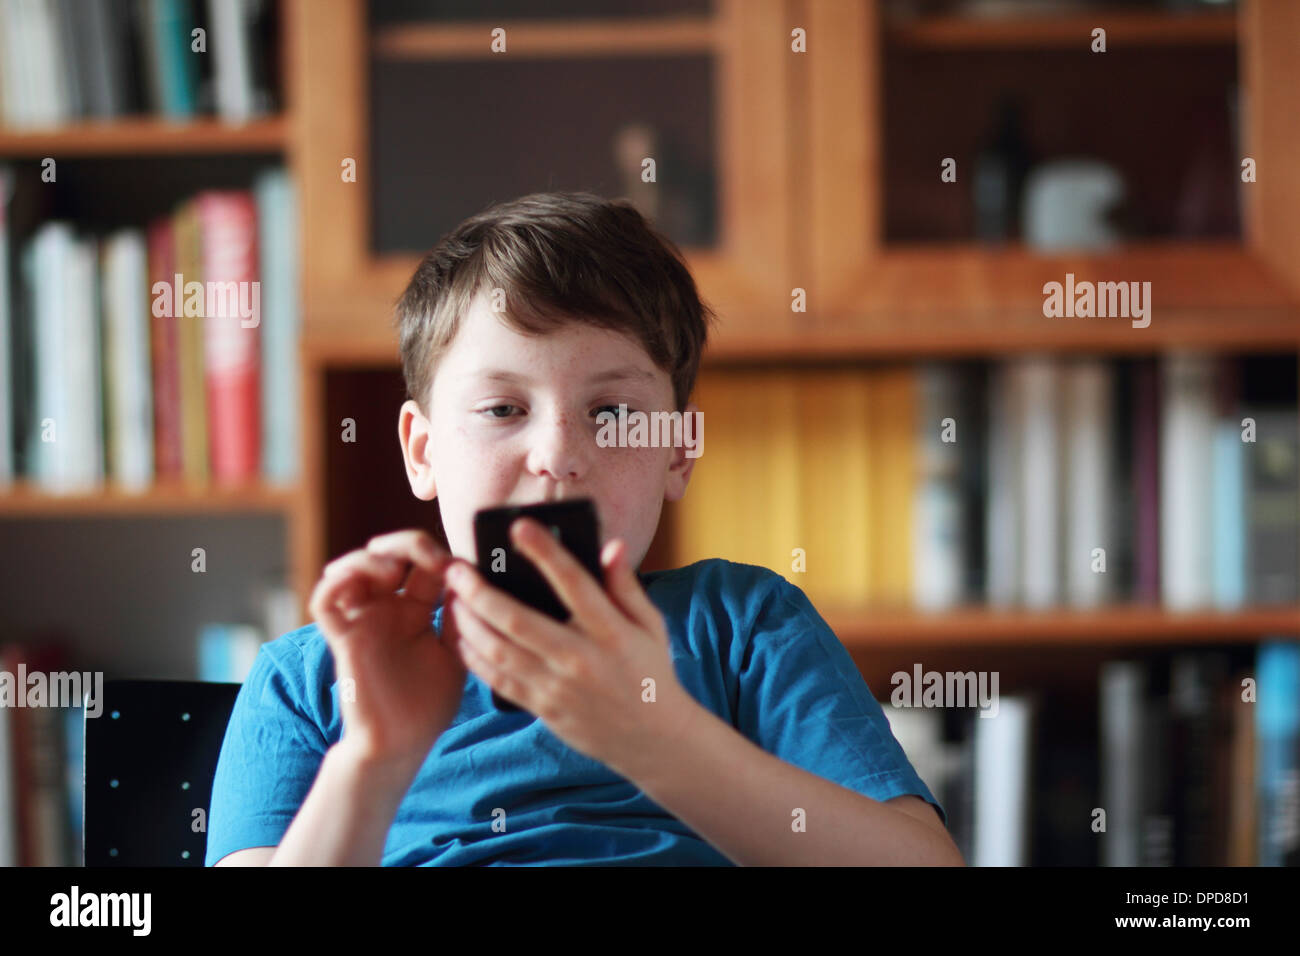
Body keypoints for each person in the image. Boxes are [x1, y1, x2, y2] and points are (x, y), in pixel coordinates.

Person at [206, 192, 962, 866]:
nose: (559, 455)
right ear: (422, 450)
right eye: (503, 410)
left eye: (614, 414)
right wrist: (373, 756)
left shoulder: (743, 625)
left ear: (677, 452)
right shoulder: (312, 676)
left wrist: (659, 740)